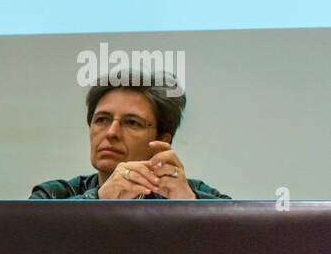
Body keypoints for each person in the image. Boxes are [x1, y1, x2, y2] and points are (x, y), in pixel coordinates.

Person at [30, 71, 228, 200]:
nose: (111, 133)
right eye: (102, 120)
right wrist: (99, 201)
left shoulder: (196, 195)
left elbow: (241, 249)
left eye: (132, 122)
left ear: (162, 141)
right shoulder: (52, 196)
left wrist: (191, 209)